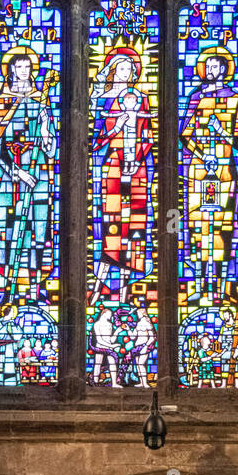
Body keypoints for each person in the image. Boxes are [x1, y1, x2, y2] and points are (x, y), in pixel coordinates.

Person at [89, 47, 154, 310]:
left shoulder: (141, 99)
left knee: (135, 231)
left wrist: (137, 157)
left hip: (136, 169)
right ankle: (97, 287)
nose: (127, 74)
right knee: (111, 229)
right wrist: (116, 126)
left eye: (130, 69)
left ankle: (126, 290)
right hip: (110, 169)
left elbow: (148, 136)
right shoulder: (101, 100)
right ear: (112, 70)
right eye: (122, 68)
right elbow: (94, 141)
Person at [180, 46, 238, 305]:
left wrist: (221, 130)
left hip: (223, 170)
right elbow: (184, 135)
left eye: (216, 66)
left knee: (222, 228)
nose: (211, 70)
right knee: (198, 229)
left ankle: (218, 287)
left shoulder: (235, 98)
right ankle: (197, 284)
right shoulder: (195, 98)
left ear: (225, 70)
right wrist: (200, 153)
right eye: (207, 67)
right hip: (198, 170)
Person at [0, 47, 57, 304]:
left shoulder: (41, 99)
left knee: (38, 229)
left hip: (38, 173)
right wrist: (17, 172)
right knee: (6, 230)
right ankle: (4, 285)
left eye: (28, 67)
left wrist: (44, 130)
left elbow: (50, 147)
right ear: (10, 70)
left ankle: (35, 285)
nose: (24, 72)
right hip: (10, 177)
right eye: (19, 67)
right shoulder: (3, 101)